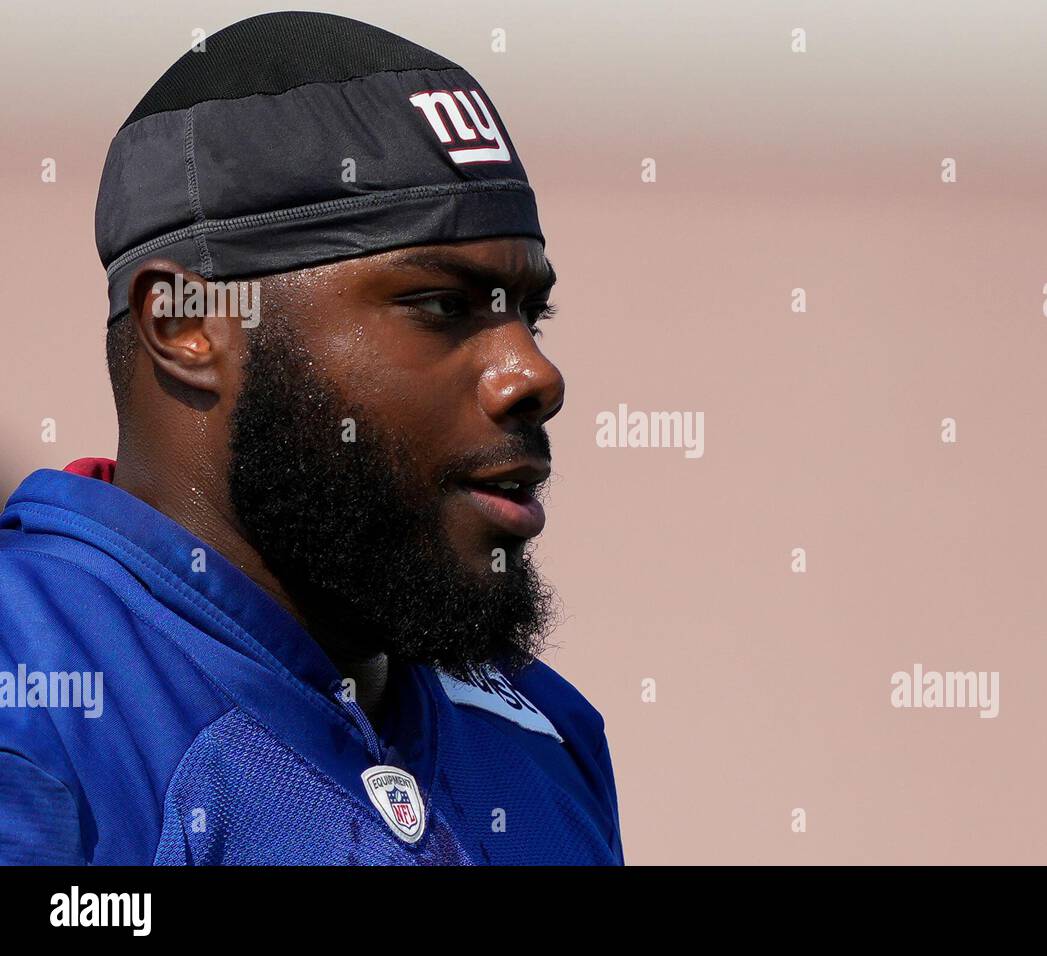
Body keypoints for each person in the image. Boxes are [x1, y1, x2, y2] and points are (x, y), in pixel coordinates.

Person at [0, 10, 622, 865]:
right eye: (442, 304)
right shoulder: (33, 695)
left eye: (529, 314)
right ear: (188, 324)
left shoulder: (541, 735)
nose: (533, 375)